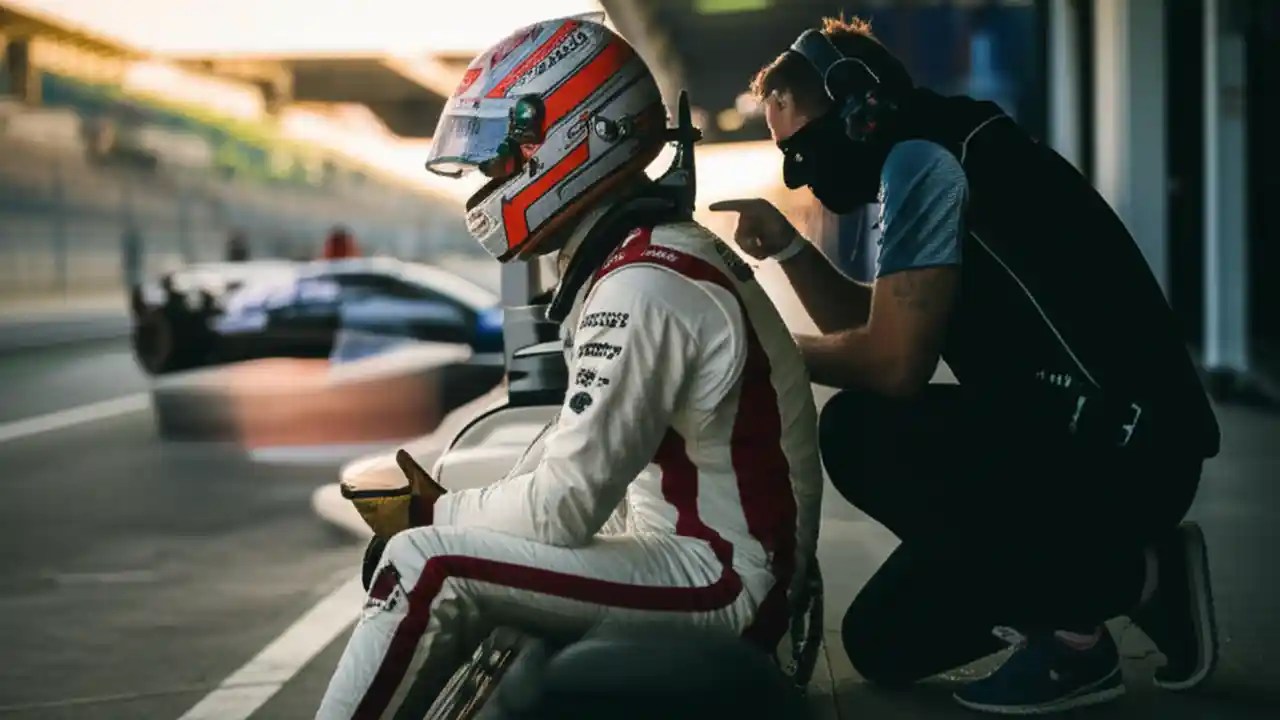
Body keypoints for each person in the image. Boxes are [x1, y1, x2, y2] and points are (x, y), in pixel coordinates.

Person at [711, 15, 1221, 715]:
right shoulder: (943, 144)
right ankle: (1143, 579)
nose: (799, 169)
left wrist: (757, 350)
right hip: (1090, 448)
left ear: (859, 98)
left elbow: (894, 365)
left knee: (860, 430)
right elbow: (884, 322)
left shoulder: (924, 163)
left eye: (802, 144)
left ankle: (1078, 642)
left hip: (1122, 456)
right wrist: (791, 252)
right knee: (883, 644)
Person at [317, 14, 823, 719]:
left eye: (499, 159)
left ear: (579, 138)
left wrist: (435, 513)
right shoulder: (649, 255)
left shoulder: (644, 283)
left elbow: (561, 507)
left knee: (424, 562)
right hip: (712, 552)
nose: (488, 180)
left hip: (726, 580)